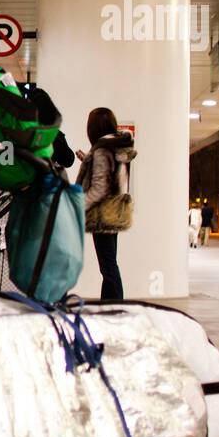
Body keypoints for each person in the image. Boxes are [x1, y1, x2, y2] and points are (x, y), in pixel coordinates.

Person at [75, 107, 136, 300]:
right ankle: (108, 302)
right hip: (115, 212)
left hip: (102, 214)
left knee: (107, 265)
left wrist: (77, 206)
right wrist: (88, 160)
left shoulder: (102, 150)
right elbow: (111, 175)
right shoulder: (117, 146)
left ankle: (115, 303)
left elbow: (100, 188)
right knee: (109, 263)